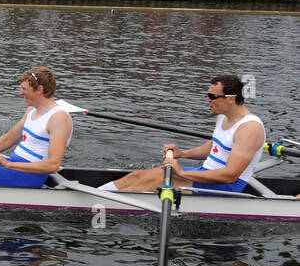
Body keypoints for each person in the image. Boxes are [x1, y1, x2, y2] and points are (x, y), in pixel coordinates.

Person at [99, 75, 266, 194]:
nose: (207, 99)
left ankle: (94, 202)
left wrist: (182, 172)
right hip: (206, 173)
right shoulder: (223, 116)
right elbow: (214, 145)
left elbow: (230, 176)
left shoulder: (250, 128)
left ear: (231, 99)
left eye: (212, 96)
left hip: (226, 186)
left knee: (155, 179)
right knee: (138, 175)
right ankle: (95, 194)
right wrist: (182, 154)